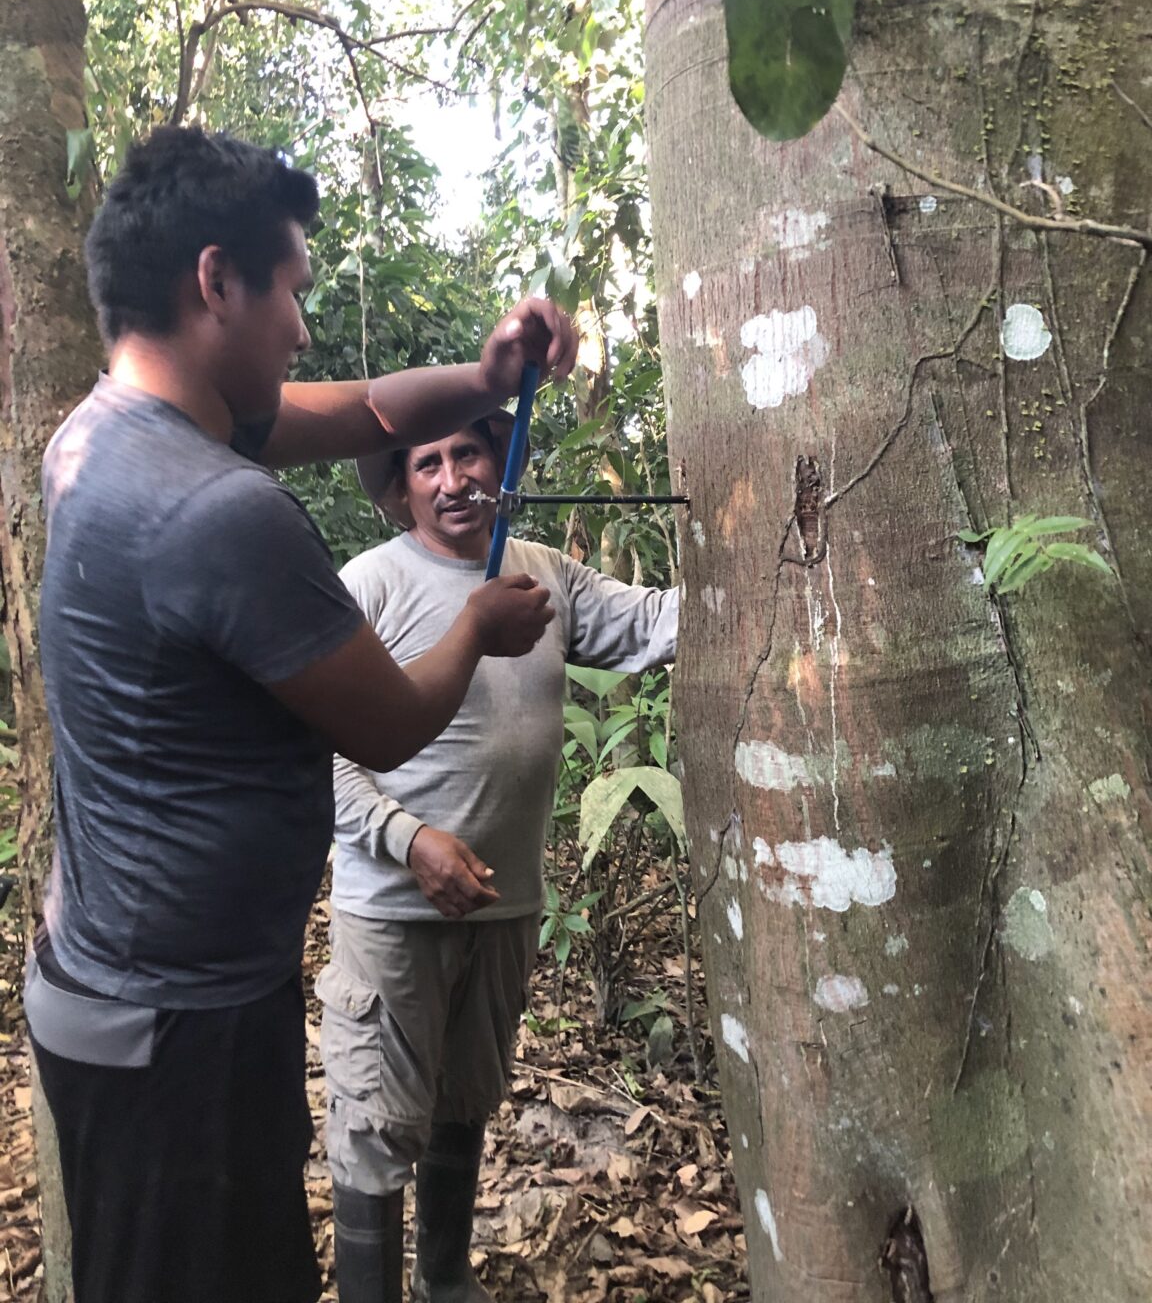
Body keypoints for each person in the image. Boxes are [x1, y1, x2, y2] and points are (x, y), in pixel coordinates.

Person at [23, 125, 577, 1303]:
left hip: (119, 995)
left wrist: (490, 380)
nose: (302, 329)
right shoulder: (223, 510)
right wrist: (477, 627)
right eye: (292, 292)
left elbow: (369, 411)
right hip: (184, 1032)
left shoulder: (98, 438)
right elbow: (382, 728)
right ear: (215, 281)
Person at [319, 417, 679, 1303]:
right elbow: (316, 748)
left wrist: (764, 552)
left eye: (467, 454)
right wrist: (409, 840)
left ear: (502, 464)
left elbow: (648, 625)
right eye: (426, 463)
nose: (451, 479)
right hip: (393, 913)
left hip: (504, 905)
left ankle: (446, 1282)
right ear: (399, 487)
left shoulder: (543, 573)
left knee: (462, 1100)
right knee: (375, 1123)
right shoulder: (368, 584)